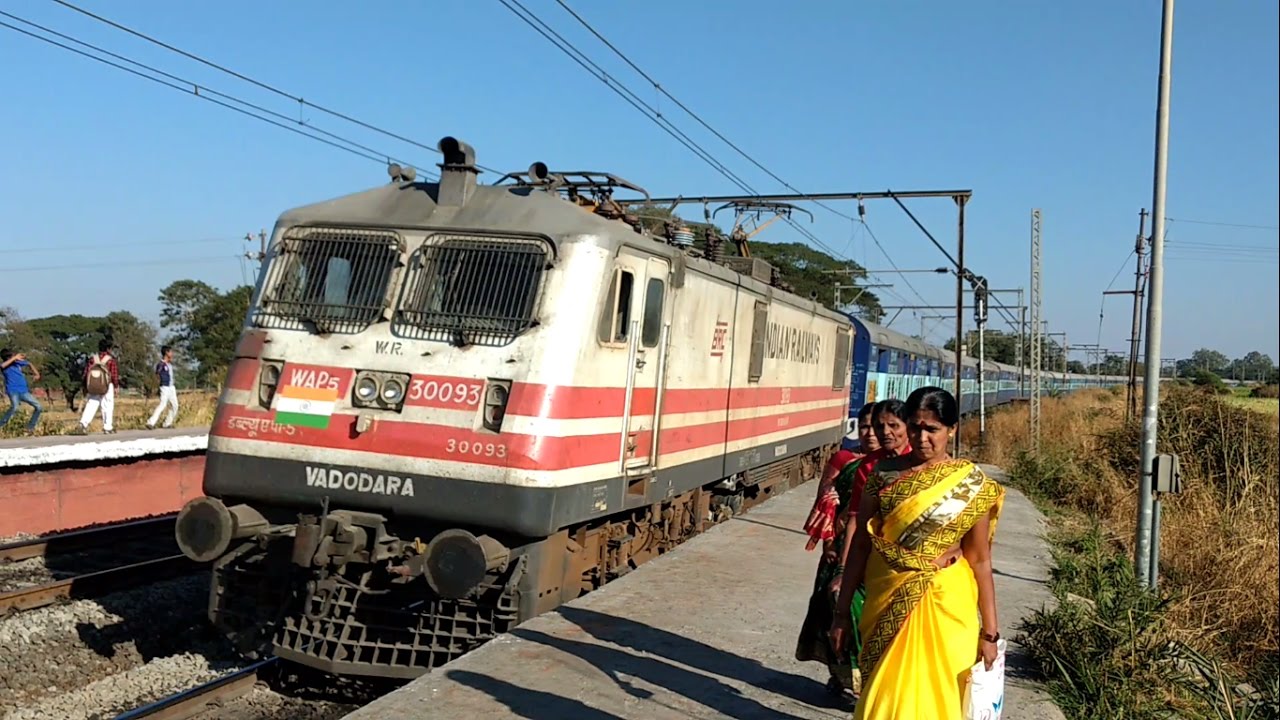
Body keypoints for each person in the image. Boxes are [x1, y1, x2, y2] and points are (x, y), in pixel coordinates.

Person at [830, 386, 1005, 720]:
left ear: (952, 429)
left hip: (947, 608)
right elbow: (861, 546)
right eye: (915, 427)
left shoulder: (971, 484)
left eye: (932, 430)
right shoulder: (883, 475)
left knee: (939, 700)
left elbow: (980, 560)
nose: (922, 437)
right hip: (887, 601)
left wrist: (990, 634)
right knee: (885, 696)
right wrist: (841, 614)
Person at [796, 402, 879, 702]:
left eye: (876, 427)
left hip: (872, 550)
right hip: (839, 548)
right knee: (834, 611)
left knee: (864, 614)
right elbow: (824, 502)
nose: (870, 433)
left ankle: (866, 677)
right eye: (865, 426)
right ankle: (842, 675)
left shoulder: (891, 466)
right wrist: (830, 544)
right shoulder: (844, 459)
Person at [77, 339, 119, 435]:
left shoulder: (93, 359)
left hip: (93, 385)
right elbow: (114, 375)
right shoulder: (110, 360)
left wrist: (85, 386)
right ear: (108, 348)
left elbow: (86, 373)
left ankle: (83, 424)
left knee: (91, 403)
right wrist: (116, 386)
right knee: (107, 405)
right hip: (107, 385)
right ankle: (107, 427)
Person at [1, 348, 42, 435]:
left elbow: (29, 364)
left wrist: (36, 373)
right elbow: (2, 366)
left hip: (24, 391)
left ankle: (30, 427)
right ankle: (1, 425)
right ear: (9, 357)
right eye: (13, 356)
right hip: (13, 391)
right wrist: (14, 357)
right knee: (15, 407)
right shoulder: (6, 365)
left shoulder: (17, 363)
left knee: (39, 407)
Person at [146, 345, 178, 429]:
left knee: (175, 405)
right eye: (170, 352)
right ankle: (151, 422)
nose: (172, 353)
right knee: (163, 404)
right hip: (165, 387)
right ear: (166, 353)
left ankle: (167, 423)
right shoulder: (161, 364)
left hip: (171, 387)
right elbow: (157, 374)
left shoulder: (169, 365)